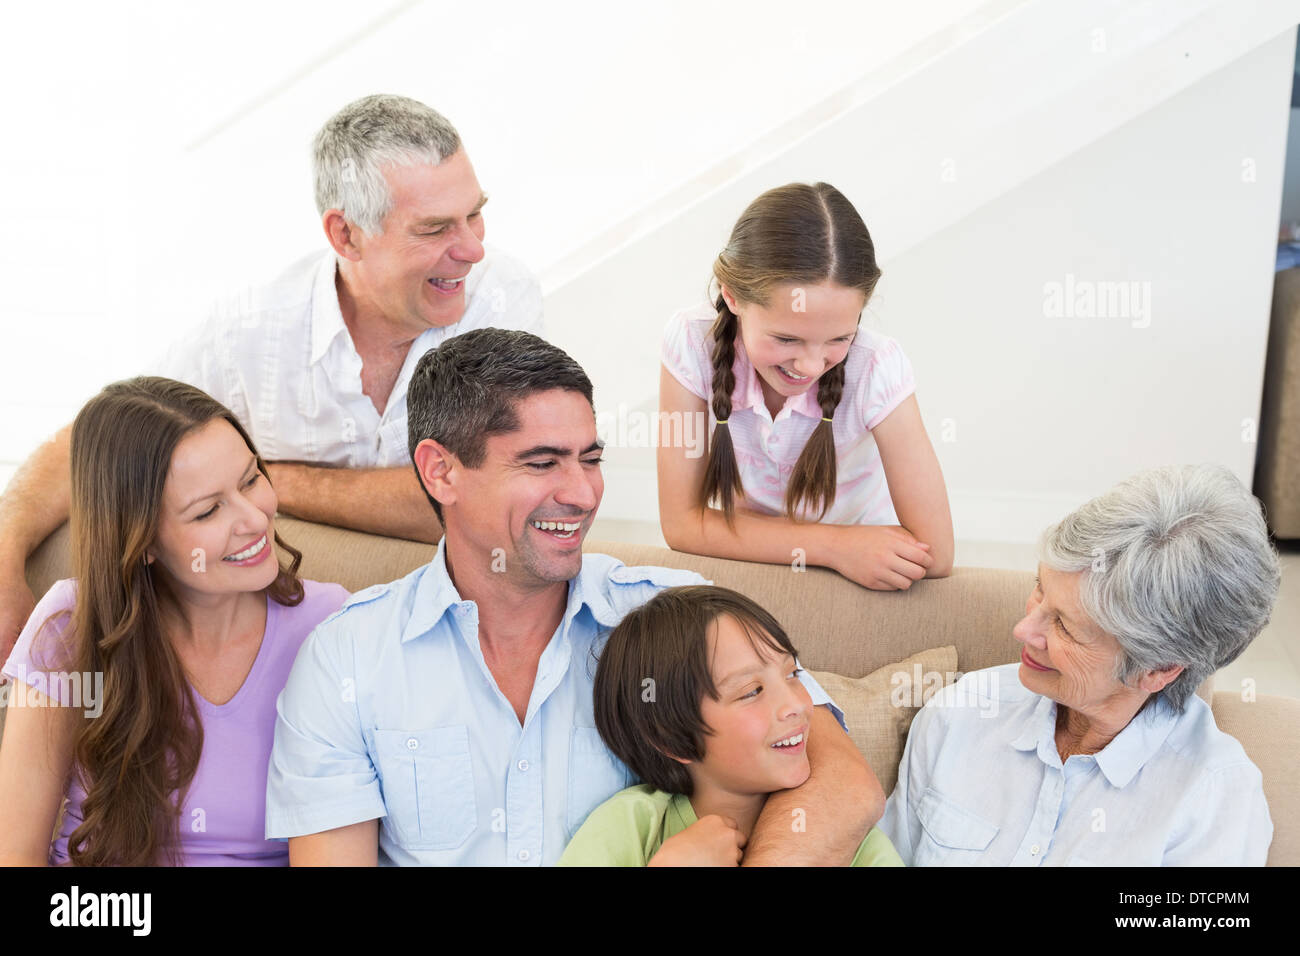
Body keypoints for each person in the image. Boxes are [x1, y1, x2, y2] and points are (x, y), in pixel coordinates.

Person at [266, 328, 883, 865]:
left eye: (590, 459)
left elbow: (841, 788)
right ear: (440, 471)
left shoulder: (682, 619)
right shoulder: (348, 658)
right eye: (542, 463)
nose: (584, 494)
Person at [0, 93, 542, 665]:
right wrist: (5, 562)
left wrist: (273, 479)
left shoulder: (501, 301)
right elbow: (97, 443)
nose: (473, 249)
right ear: (346, 235)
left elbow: (477, 496)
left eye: (474, 213)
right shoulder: (248, 334)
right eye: (435, 229)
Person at [0, 378, 349, 866]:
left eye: (251, 480)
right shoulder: (69, 627)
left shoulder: (331, 628)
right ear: (140, 543)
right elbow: (15, 857)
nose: (255, 517)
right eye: (208, 510)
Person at [879, 464, 1280, 866]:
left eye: (1065, 628)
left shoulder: (1214, 803)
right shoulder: (960, 714)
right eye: (1039, 588)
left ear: (1158, 669)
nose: (1024, 630)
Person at [657, 182, 953, 591]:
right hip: (759, 564)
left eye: (838, 339)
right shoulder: (691, 342)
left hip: (859, 574)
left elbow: (935, 551)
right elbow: (680, 524)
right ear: (732, 297)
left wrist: (847, 550)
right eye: (787, 339)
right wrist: (834, 546)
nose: (812, 365)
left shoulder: (877, 365)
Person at [557, 585, 903, 866]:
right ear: (674, 739)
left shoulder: (846, 839)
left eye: (792, 674)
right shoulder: (632, 825)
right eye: (752, 691)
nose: (797, 705)